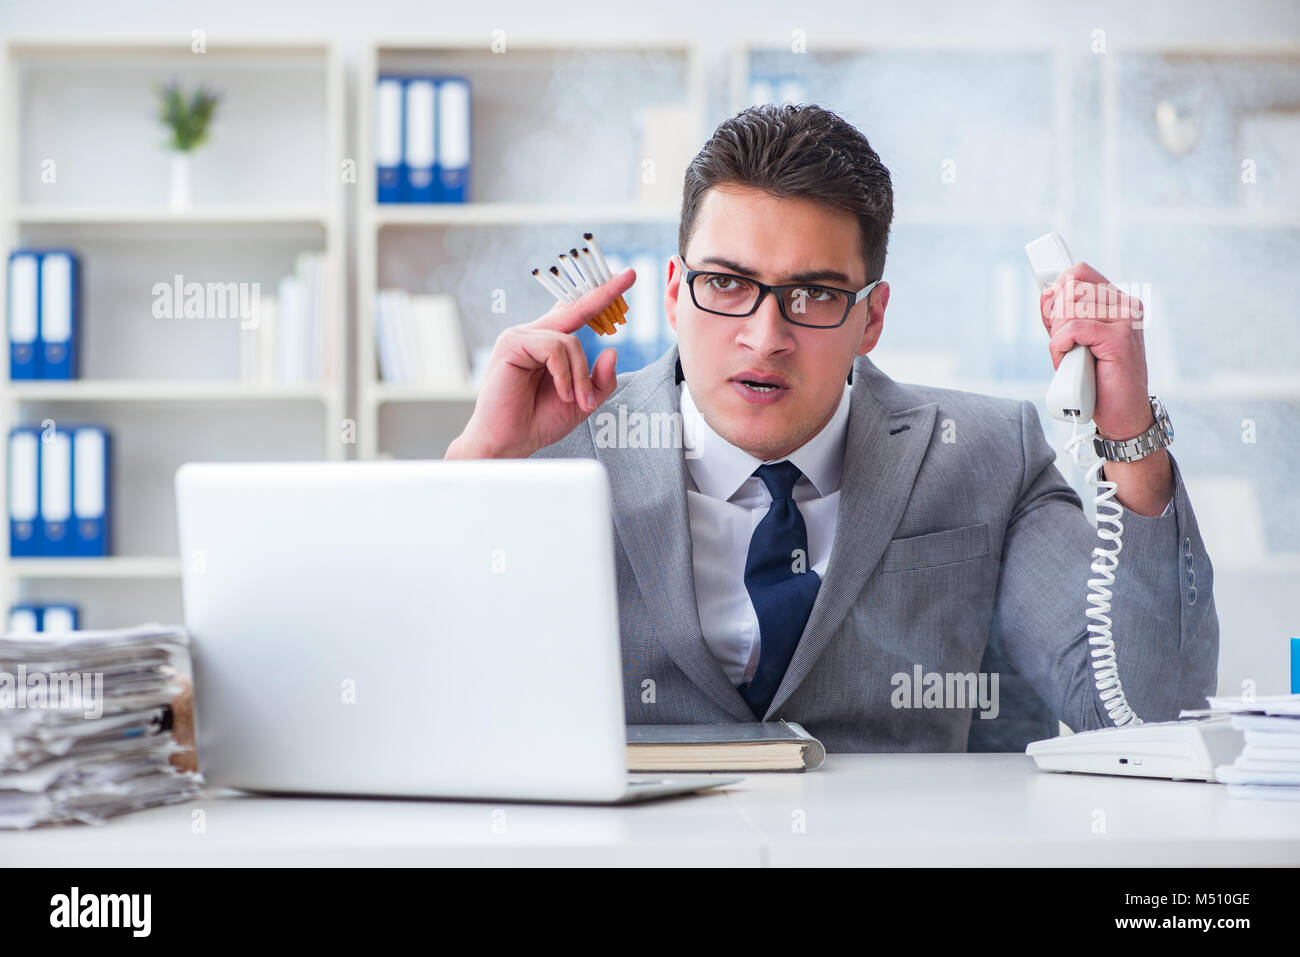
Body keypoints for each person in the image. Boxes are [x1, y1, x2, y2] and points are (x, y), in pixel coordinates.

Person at [446, 103, 1218, 752]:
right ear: (676, 294)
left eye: (813, 295)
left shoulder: (987, 455)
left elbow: (1146, 718)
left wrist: (1132, 440)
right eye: (726, 283)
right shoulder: (557, 455)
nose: (764, 336)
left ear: (871, 317)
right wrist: (481, 468)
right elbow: (439, 702)